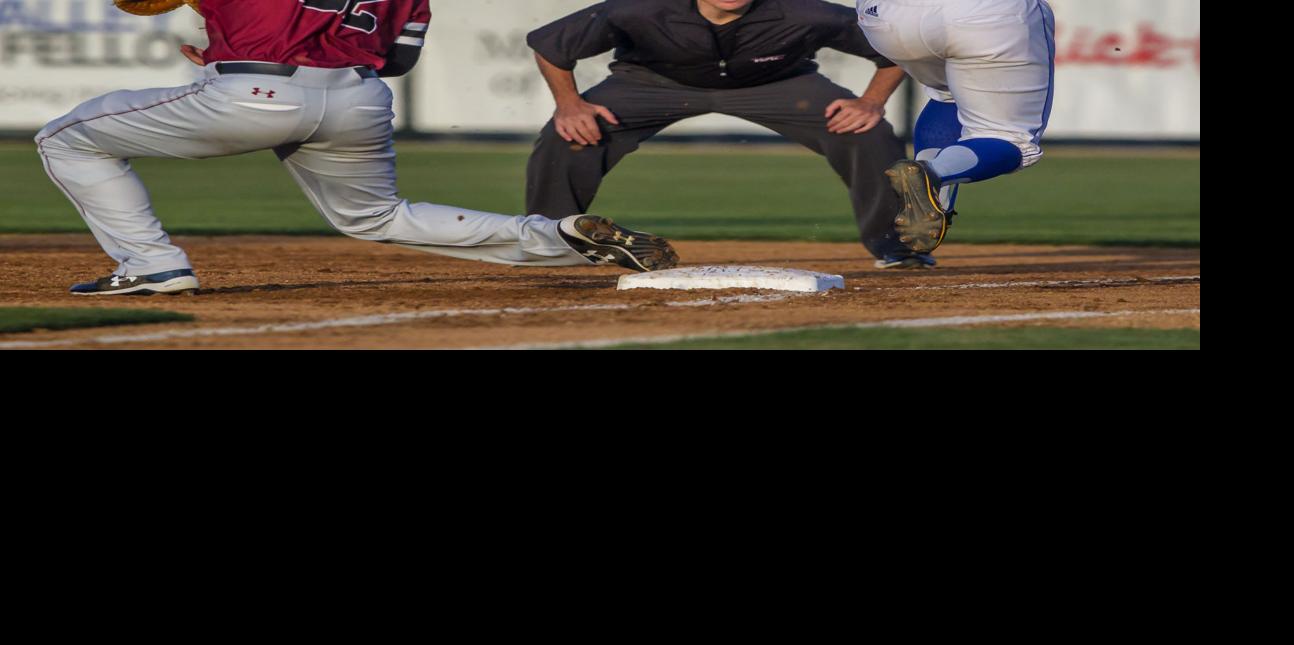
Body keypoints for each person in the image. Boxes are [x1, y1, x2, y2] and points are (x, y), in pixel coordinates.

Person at [38, 0, 677, 297]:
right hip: (358, 98)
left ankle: (152, 265)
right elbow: (397, 60)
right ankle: (559, 236)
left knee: (64, 139)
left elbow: (137, 1)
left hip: (253, 91)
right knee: (374, 216)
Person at [525, 0, 933, 269]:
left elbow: (895, 49)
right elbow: (551, 46)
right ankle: (549, 240)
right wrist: (569, 104)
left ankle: (898, 248)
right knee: (571, 134)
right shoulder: (639, 8)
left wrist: (871, 102)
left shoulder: (803, 11)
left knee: (867, 133)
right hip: (651, 83)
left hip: (778, 84)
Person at [854, 0, 1055, 254]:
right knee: (1009, 137)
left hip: (884, 17)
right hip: (981, 15)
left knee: (948, 94)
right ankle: (933, 172)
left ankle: (936, 202)